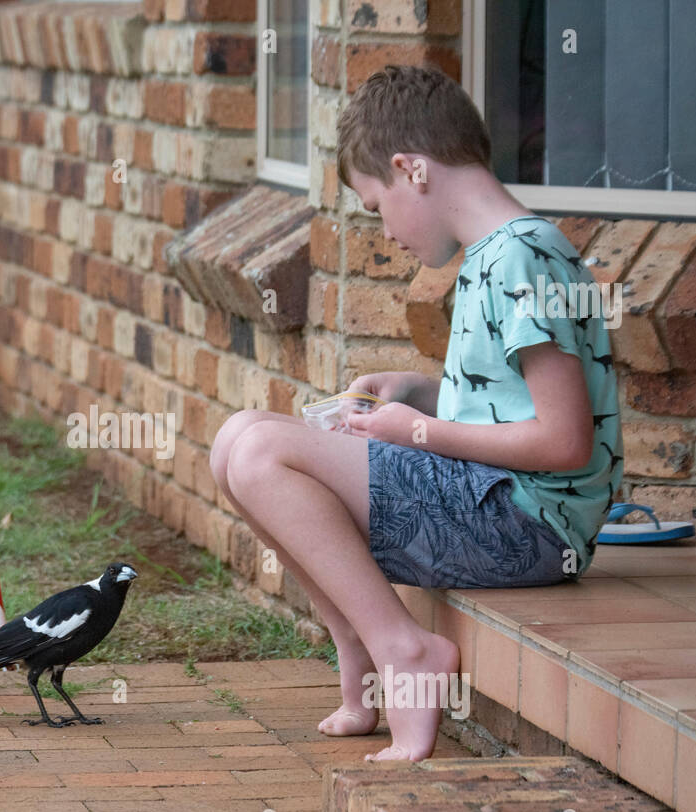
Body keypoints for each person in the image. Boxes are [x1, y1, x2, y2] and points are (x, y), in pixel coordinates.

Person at [210, 65, 623, 761]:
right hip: (492, 502)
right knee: (234, 440)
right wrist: (417, 393)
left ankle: (403, 649)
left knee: (259, 452)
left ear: (412, 169)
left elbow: (564, 439)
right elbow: (510, 404)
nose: (387, 233)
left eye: (377, 206)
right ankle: (354, 635)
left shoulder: (522, 260)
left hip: (526, 525)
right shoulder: (500, 255)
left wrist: (420, 432)